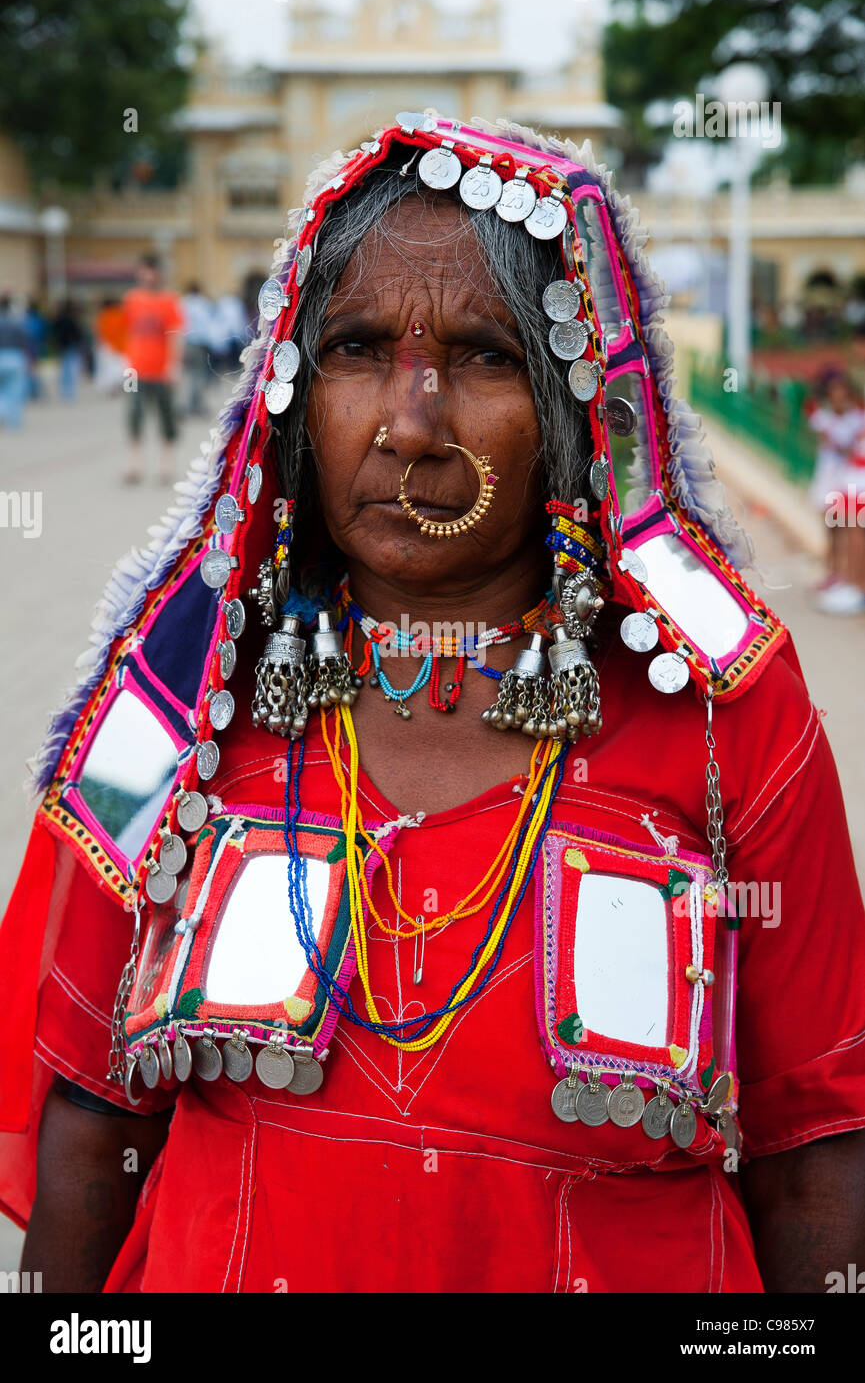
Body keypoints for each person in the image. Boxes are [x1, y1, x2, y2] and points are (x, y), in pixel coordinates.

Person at [2, 116, 864, 1296]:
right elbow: (94, 1121)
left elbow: (815, 1147)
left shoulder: (726, 711)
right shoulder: (178, 701)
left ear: (572, 408)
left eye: (484, 356)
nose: (411, 424)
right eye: (356, 348)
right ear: (294, 394)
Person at [121, 255, 184, 485]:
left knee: (166, 415)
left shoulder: (169, 301)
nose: (148, 276)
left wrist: (174, 365)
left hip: (162, 370)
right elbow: (125, 332)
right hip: (134, 369)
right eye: (144, 271)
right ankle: (134, 464)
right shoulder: (132, 299)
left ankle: (166, 465)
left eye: (152, 271)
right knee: (133, 414)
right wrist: (123, 361)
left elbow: (175, 334)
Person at [808, 368, 865, 613]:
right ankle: (842, 578)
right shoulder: (825, 415)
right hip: (842, 480)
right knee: (841, 529)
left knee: (853, 533)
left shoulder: (857, 416)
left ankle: (855, 585)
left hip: (855, 479)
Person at [180, 281, 213, 416]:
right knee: (199, 375)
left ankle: (185, 405)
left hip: (185, 343)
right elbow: (207, 325)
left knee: (187, 375)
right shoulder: (203, 304)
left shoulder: (183, 303)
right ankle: (197, 405)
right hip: (199, 343)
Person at [0, 294, 29, 429]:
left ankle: (2, 413)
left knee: (2, 391)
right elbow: (25, 342)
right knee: (15, 392)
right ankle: (14, 423)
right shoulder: (15, 322)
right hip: (14, 358)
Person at [51, 298, 88, 402]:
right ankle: (70, 392)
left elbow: (54, 331)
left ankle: (64, 392)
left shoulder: (58, 319)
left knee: (64, 369)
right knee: (71, 369)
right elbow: (78, 333)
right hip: (71, 345)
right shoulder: (73, 319)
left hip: (62, 345)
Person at [93, 297, 127, 396]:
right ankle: (126, 386)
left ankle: (111, 388)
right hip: (121, 346)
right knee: (122, 367)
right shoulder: (121, 314)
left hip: (108, 347)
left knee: (108, 369)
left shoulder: (103, 316)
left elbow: (99, 332)